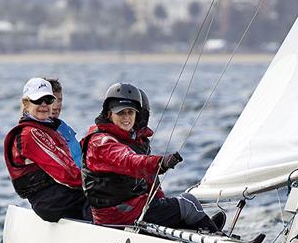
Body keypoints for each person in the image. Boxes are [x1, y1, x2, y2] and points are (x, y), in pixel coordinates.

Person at [80, 82, 224, 232]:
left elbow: (150, 182)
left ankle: (203, 230)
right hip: (118, 215)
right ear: (109, 114)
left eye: (130, 112)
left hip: (130, 208)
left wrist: (163, 203)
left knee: (184, 208)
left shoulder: (131, 140)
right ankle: (215, 237)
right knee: (190, 204)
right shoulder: (101, 142)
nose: (126, 117)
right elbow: (129, 161)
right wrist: (160, 163)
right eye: (121, 113)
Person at [3, 77, 91, 222]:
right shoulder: (31, 134)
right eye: (38, 100)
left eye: (48, 100)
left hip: (57, 195)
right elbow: (65, 171)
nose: (44, 105)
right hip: (49, 201)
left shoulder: (48, 127)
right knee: (99, 196)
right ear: (26, 103)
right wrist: (96, 183)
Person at [43, 77, 83, 168]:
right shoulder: (37, 132)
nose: (56, 106)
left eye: (60, 100)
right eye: (52, 101)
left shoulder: (64, 127)